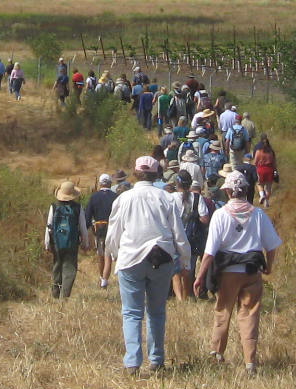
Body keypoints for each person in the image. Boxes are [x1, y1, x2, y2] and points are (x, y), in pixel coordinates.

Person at [103, 155, 192, 374]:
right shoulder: (167, 198)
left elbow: (113, 235)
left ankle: (132, 362)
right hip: (160, 258)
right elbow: (178, 234)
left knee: (132, 312)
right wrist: (186, 259)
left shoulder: (123, 199)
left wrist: (115, 255)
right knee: (156, 311)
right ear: (156, 174)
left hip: (131, 258)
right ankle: (156, 359)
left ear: (135, 173)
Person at [194, 172, 282, 374]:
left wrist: (200, 276)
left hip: (227, 272)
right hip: (251, 271)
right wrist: (269, 266)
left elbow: (210, 252)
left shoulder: (221, 215)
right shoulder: (258, 215)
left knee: (223, 311)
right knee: (250, 314)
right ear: (246, 191)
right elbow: (272, 245)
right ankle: (250, 361)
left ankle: (217, 353)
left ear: (227, 191)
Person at [44, 180, 91, 299]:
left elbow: (49, 226)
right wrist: (85, 243)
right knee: (69, 268)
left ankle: (55, 293)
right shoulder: (77, 208)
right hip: (72, 242)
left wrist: (47, 244)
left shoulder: (54, 206)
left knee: (57, 266)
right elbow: (83, 227)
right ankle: (64, 297)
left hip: (56, 243)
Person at [86, 174, 118, 286]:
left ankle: (102, 278)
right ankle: (104, 280)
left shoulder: (94, 197)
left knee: (101, 254)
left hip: (99, 229)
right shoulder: (115, 196)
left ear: (100, 184)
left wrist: (86, 231)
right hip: (112, 228)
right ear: (110, 183)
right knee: (108, 254)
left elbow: (88, 216)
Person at [253, 136, 279, 205]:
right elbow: (274, 163)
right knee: (268, 187)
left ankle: (262, 195)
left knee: (259, 184)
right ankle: (266, 201)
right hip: (270, 169)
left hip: (261, 169)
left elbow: (255, 162)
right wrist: (275, 171)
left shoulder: (259, 152)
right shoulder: (271, 152)